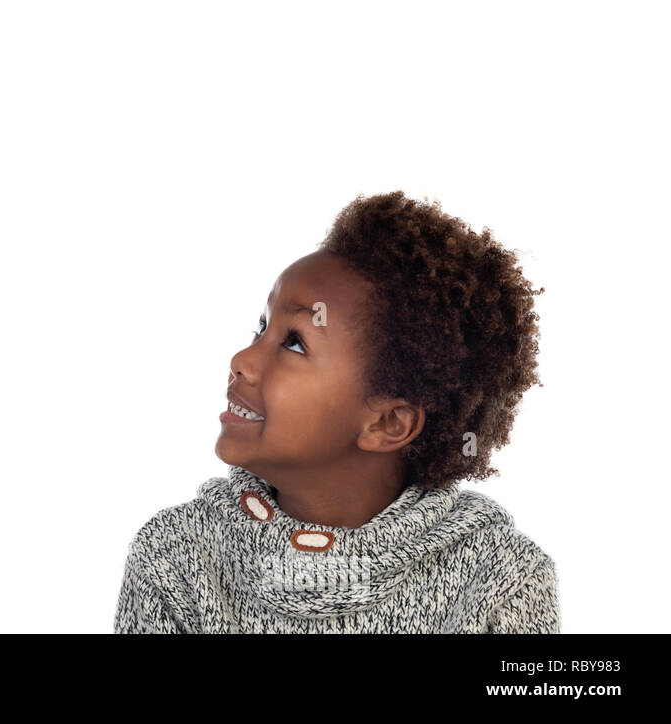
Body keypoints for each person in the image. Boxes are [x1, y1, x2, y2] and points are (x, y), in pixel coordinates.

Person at [114, 190, 559, 633]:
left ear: (388, 423)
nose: (242, 360)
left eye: (293, 342)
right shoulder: (175, 557)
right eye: (263, 327)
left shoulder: (502, 583)